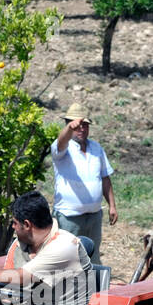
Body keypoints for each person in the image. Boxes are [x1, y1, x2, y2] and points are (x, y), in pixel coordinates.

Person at [50, 102, 116, 261]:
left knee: (92, 258)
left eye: (85, 125)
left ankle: (94, 286)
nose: (81, 128)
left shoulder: (96, 148)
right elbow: (61, 141)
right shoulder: (63, 149)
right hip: (69, 217)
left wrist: (112, 206)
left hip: (94, 216)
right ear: (68, 126)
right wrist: (69, 129)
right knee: (68, 259)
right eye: (77, 125)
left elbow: (105, 177)